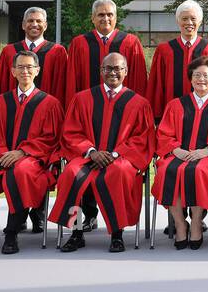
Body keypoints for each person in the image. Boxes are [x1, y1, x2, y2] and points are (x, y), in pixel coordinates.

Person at [51, 53, 156, 253]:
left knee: (118, 173)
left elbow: (142, 138)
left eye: (118, 68)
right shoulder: (82, 99)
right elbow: (71, 132)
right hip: (87, 156)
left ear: (126, 72)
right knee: (72, 173)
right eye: (108, 68)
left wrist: (115, 154)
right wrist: (91, 151)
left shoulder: (138, 103)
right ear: (101, 71)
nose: (113, 73)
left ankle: (117, 234)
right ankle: (77, 232)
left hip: (121, 158)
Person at [0, 49, 65, 255]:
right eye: (20, 67)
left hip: (31, 159)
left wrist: (21, 152)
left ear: (37, 70)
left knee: (22, 173)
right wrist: (4, 153)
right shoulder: (0, 102)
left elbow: (51, 139)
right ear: (12, 71)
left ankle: (11, 233)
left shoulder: (50, 103)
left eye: (29, 67)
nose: (25, 71)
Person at [153, 55, 208, 250]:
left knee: (197, 171)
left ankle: (197, 223)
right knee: (168, 170)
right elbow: (164, 133)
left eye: (206, 75)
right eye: (197, 75)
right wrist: (176, 150)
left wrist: (206, 151)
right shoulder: (176, 104)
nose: (201, 79)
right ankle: (181, 223)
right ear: (190, 78)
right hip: (179, 155)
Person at [146, 0, 208, 123]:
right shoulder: (164, 51)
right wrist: (156, 117)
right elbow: (156, 86)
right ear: (178, 21)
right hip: (172, 117)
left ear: (200, 21)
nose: (189, 23)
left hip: (207, 116)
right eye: (184, 19)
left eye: (193, 19)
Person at [0, 6, 71, 108]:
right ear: (23, 25)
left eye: (39, 21)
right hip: (13, 111)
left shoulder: (57, 52)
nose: (34, 24)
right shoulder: (9, 52)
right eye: (30, 21)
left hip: (46, 111)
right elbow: (1, 85)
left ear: (45, 25)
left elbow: (61, 88)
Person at [67, 0, 148, 95]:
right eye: (101, 15)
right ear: (93, 18)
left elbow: (139, 80)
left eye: (110, 15)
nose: (106, 19)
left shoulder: (131, 43)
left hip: (123, 106)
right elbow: (72, 82)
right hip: (88, 106)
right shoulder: (79, 44)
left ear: (116, 18)